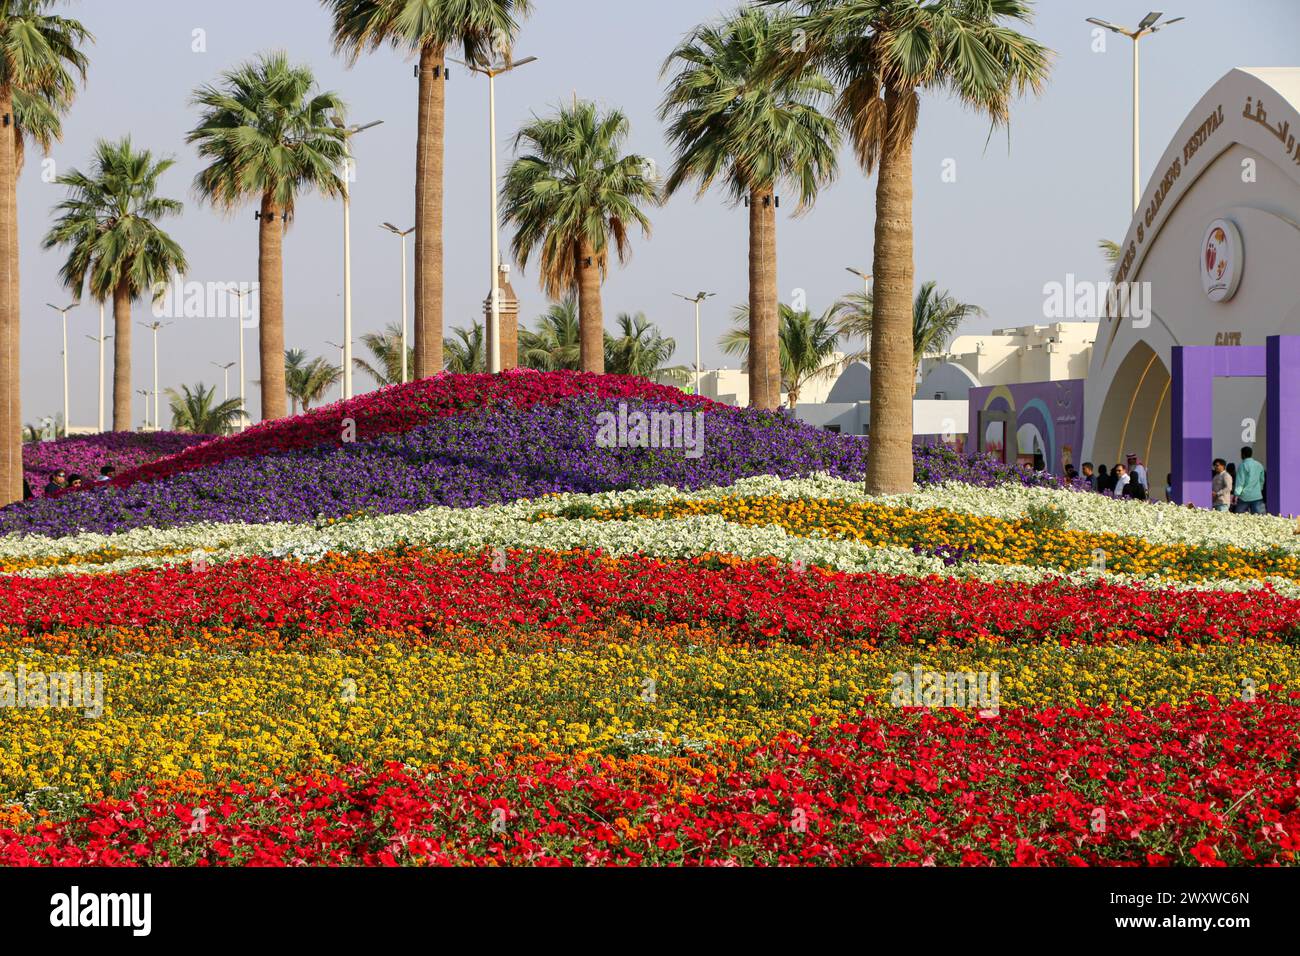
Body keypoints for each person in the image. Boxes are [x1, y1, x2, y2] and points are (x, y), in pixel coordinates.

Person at [1235, 447, 1266, 514]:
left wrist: (1236, 494)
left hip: (1244, 497)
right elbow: (1262, 480)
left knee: (1239, 519)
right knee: (1259, 520)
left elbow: (1240, 482)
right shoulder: (1259, 465)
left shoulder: (1243, 465)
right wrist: (1259, 489)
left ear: (1242, 454)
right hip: (1257, 496)